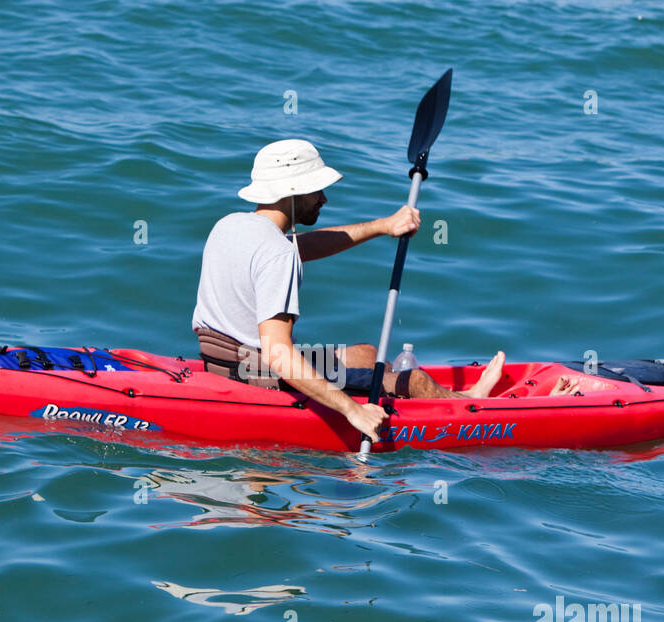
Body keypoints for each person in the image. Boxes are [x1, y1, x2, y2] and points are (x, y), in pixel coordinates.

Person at [192, 139, 506, 443]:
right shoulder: (278, 254)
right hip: (255, 373)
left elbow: (308, 245)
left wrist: (384, 226)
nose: (324, 199)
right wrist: (353, 410)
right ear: (293, 191)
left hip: (225, 362)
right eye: (316, 189)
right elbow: (278, 354)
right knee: (415, 381)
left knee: (367, 355)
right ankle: (472, 402)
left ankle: (453, 395)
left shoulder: (231, 226)